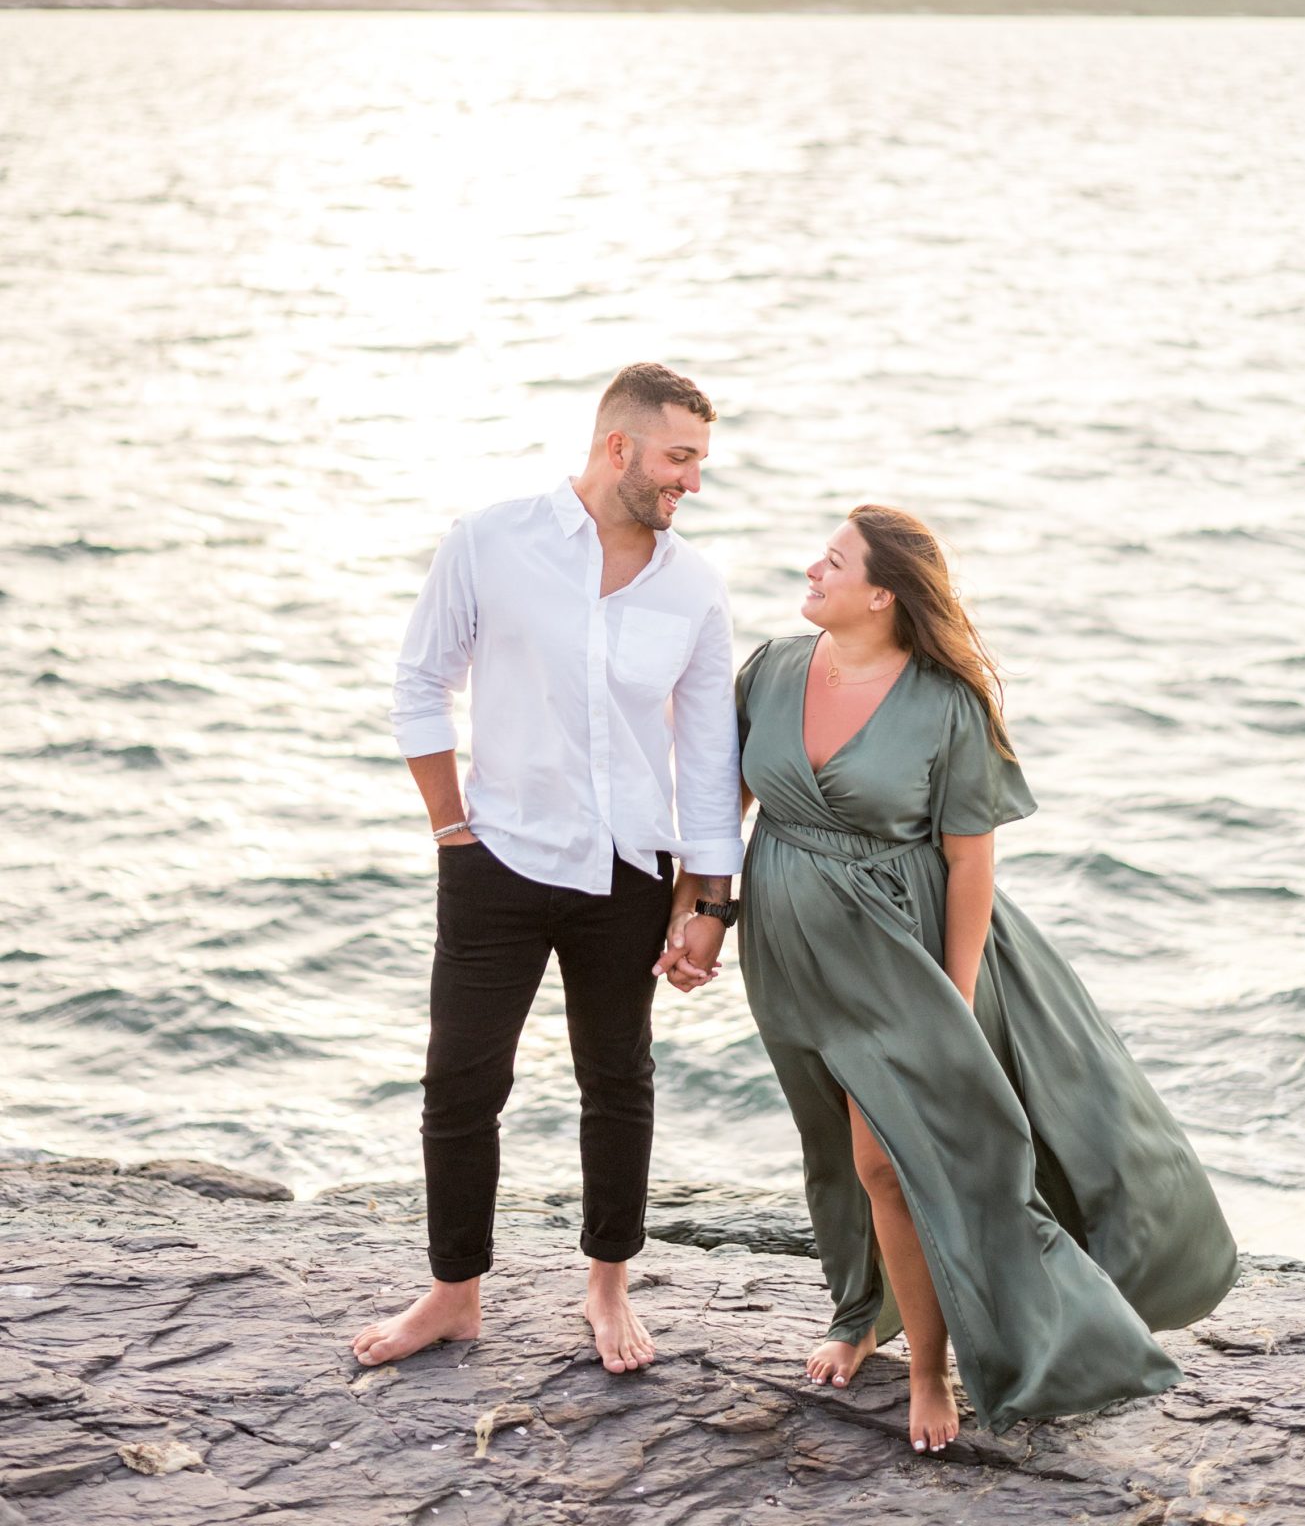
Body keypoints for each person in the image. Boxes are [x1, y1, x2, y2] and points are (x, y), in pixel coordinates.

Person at [736, 505, 1238, 1449]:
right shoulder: (770, 668)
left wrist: (952, 997)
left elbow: (971, 864)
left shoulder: (946, 705)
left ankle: (933, 1371)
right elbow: (724, 798)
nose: (811, 567)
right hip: (788, 947)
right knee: (834, 1148)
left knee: (896, 1162)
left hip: (902, 958)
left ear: (880, 594)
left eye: (832, 560)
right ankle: (858, 1317)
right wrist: (700, 907)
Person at [352, 363, 742, 1375]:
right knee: (459, 1080)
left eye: (698, 460)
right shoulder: (490, 540)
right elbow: (419, 681)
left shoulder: (694, 584)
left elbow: (708, 757)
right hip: (498, 857)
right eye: (678, 457)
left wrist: (708, 903)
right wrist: (449, 829)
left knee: (618, 1079)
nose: (690, 480)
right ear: (619, 447)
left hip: (629, 870)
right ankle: (454, 1292)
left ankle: (606, 1288)